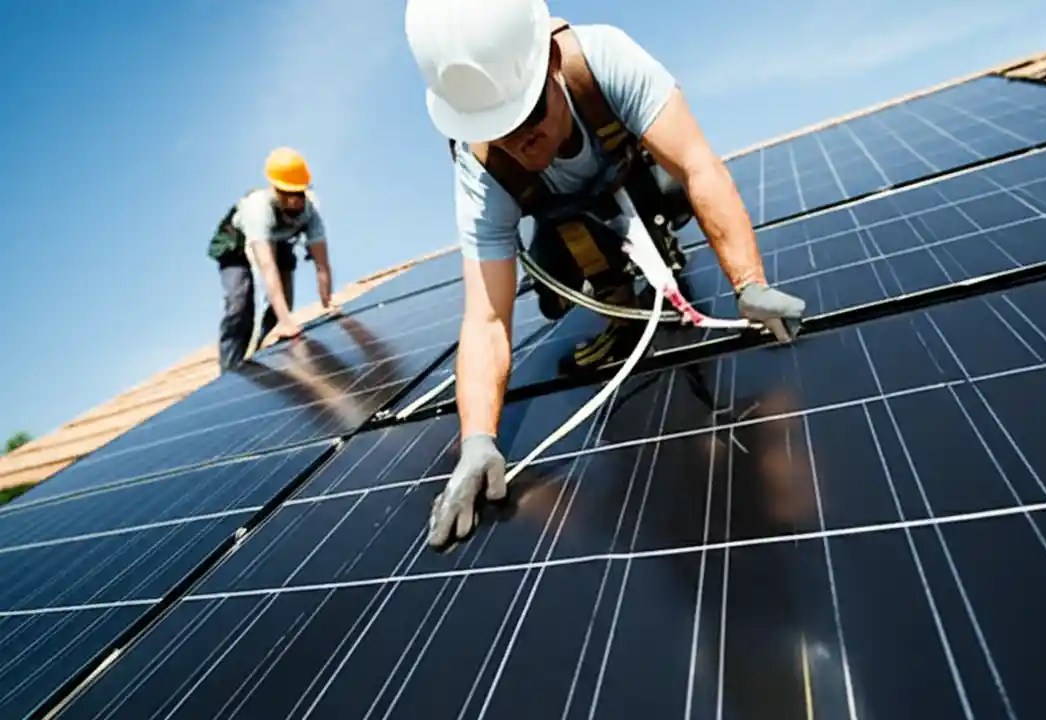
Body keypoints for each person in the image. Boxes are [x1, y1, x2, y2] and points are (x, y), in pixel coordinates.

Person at [404, 0, 807, 547]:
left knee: (673, 186)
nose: (521, 147)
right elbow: (487, 316)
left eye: (527, 118)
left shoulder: (601, 58)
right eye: (498, 132)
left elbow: (696, 164)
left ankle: (654, 252)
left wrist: (748, 284)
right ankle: (612, 290)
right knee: (551, 283)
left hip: (640, 184)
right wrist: (477, 438)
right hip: (562, 222)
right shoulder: (480, 167)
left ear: (549, 61)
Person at [207, 147, 335, 372]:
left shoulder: (310, 210)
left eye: (299, 193)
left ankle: (264, 355)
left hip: (280, 241)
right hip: (237, 245)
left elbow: (322, 263)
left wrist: (328, 302)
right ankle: (230, 370)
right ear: (276, 189)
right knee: (239, 302)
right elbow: (267, 267)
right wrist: (287, 320)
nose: (295, 200)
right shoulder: (258, 209)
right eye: (289, 193)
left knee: (282, 304)